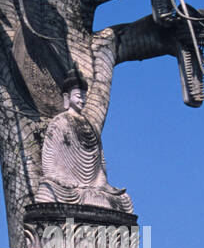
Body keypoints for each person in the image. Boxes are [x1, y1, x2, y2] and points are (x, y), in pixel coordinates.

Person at [35, 74, 133, 212]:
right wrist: (60, 179)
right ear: (67, 97)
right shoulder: (59, 122)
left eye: (84, 96)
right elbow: (49, 160)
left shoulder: (91, 127)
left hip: (92, 189)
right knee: (46, 192)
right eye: (78, 96)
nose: (82, 99)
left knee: (125, 201)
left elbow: (100, 163)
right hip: (66, 188)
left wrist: (100, 183)